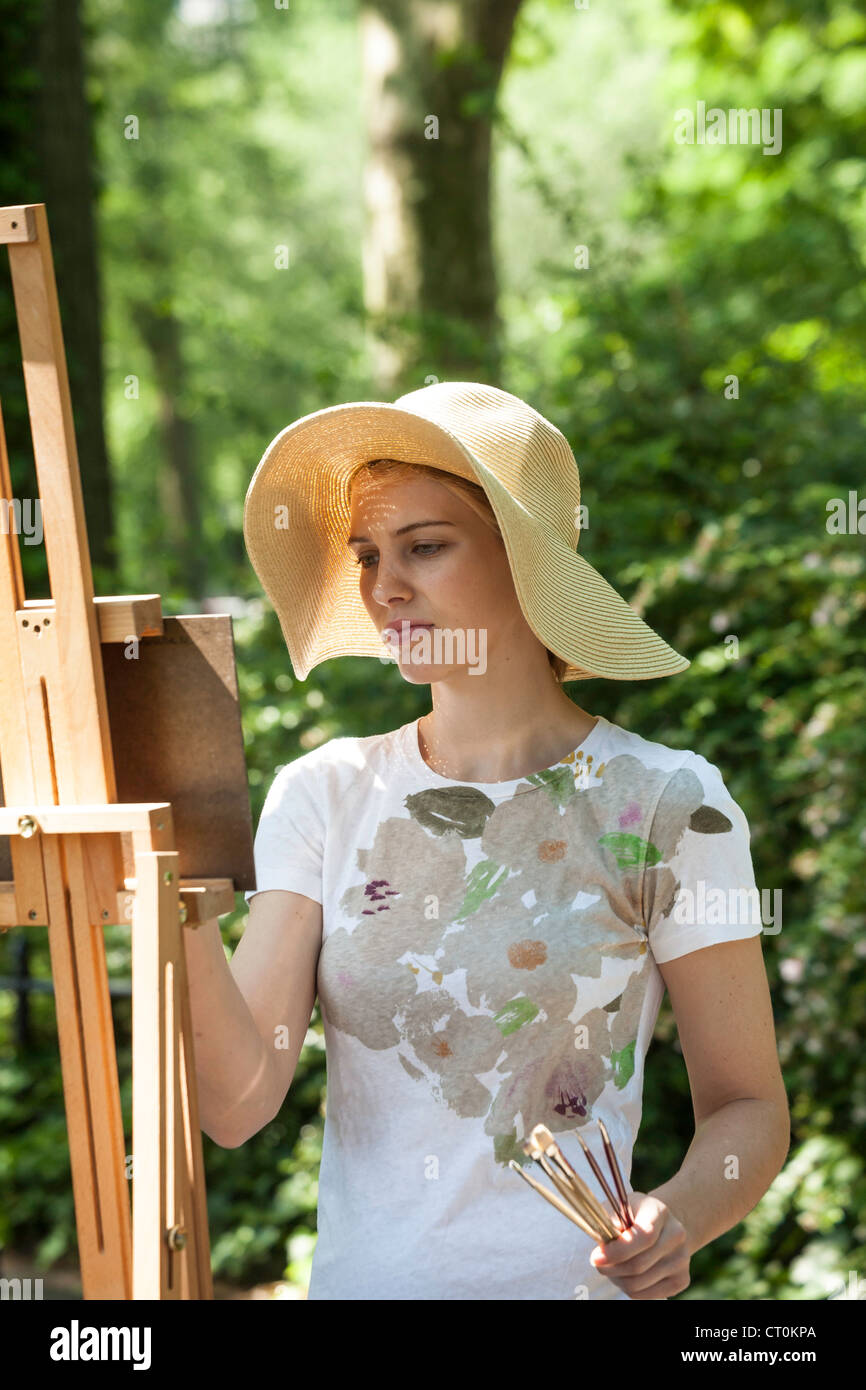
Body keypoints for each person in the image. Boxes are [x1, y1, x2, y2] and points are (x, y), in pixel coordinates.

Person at [188, 381, 790, 1301]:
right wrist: (168, 889)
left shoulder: (668, 803)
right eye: (367, 555)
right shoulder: (322, 795)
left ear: (525, 562)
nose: (385, 587)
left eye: (425, 546)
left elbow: (749, 1108)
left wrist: (684, 1216)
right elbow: (234, 1106)